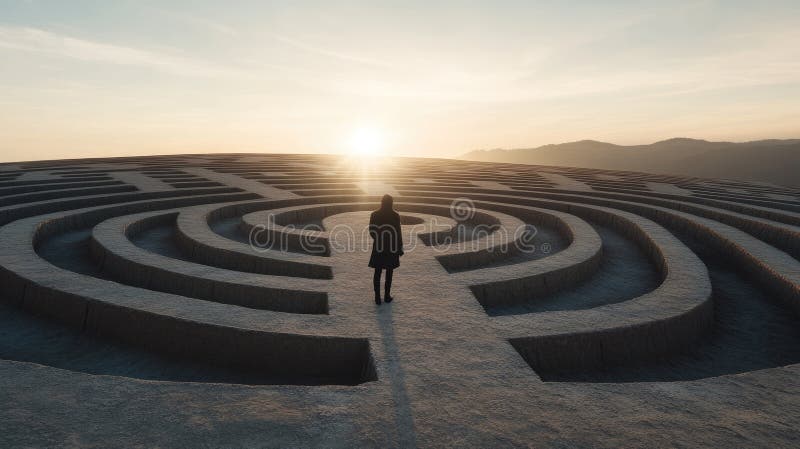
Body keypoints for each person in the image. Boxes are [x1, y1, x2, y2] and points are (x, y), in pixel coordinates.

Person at [368, 194, 403, 305]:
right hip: (392, 248)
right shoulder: (395, 215)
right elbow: (398, 233)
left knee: (377, 272)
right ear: (391, 203)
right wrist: (399, 247)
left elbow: (372, 231)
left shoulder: (374, 214)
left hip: (379, 247)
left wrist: (379, 239)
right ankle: (387, 296)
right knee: (389, 272)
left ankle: (377, 298)